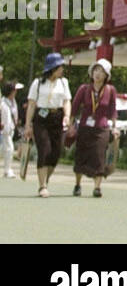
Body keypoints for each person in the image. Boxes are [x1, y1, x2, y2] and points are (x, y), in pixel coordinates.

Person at [24, 53, 72, 198]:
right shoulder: (38, 83)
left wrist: (67, 115)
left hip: (57, 118)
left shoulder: (64, 83)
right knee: (44, 149)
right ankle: (42, 185)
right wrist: (28, 125)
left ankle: (45, 178)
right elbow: (32, 105)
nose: (62, 69)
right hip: (41, 118)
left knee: (56, 152)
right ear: (52, 68)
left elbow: (66, 101)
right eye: (59, 66)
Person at [70, 59, 118, 198]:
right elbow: (75, 107)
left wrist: (114, 127)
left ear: (106, 76)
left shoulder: (110, 90)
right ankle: (78, 184)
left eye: (101, 71)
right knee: (81, 155)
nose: (98, 74)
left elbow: (113, 109)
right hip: (85, 127)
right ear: (91, 73)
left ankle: (97, 187)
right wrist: (70, 125)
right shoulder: (84, 89)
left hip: (101, 128)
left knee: (99, 156)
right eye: (96, 70)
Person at [1, 81, 18, 178]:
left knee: (7, 150)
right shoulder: (3, 103)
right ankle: (7, 171)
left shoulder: (12, 101)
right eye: (14, 90)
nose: (16, 92)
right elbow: (5, 119)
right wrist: (6, 132)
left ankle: (8, 169)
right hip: (5, 131)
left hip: (10, 130)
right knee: (9, 149)